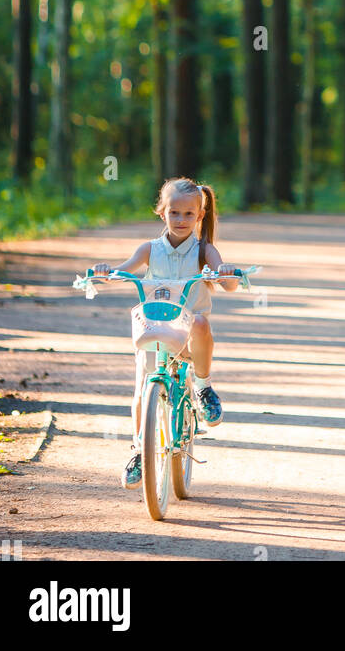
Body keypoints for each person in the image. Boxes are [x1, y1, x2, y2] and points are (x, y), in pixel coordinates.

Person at [90, 176, 241, 490]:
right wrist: (105, 273)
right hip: (155, 328)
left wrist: (228, 274)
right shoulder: (149, 249)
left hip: (189, 335)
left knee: (200, 321)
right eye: (174, 212)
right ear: (162, 212)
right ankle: (138, 450)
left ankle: (203, 386)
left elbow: (228, 283)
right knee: (141, 390)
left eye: (189, 214)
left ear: (200, 216)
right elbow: (124, 270)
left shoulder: (204, 250)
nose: (181, 219)